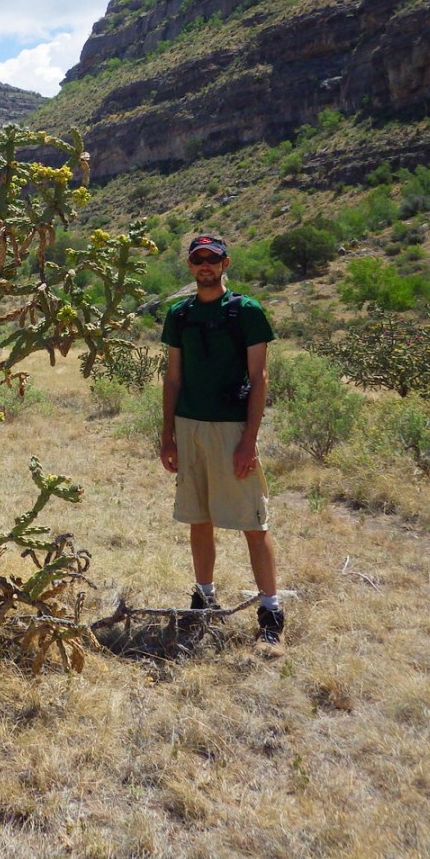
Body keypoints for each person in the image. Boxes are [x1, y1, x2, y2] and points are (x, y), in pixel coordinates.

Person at [159, 234, 285, 652]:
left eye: (212, 259)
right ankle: (204, 597)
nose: (205, 266)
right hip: (189, 425)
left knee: (252, 521)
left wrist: (249, 439)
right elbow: (173, 377)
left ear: (226, 262)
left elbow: (260, 377)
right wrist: (167, 435)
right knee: (199, 517)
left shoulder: (246, 311)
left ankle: (270, 610)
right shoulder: (180, 314)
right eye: (198, 260)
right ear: (191, 266)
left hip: (231, 427)